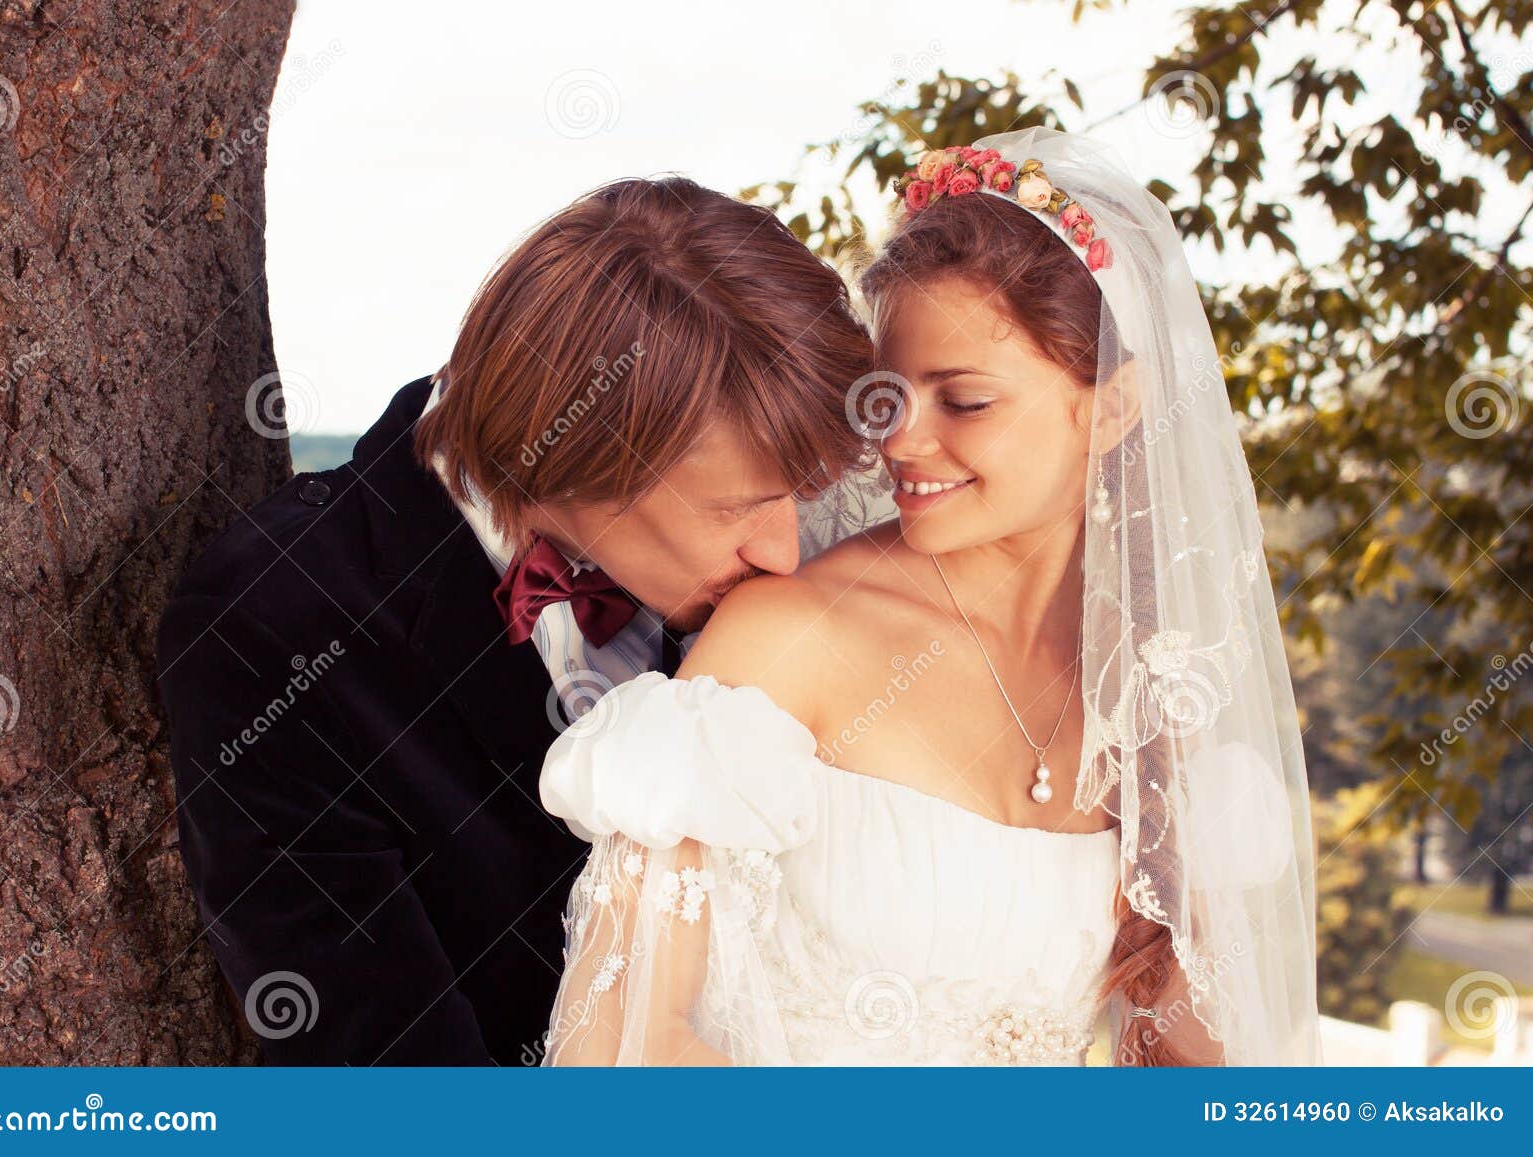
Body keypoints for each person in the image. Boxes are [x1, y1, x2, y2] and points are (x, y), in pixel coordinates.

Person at [538, 127, 1323, 1066]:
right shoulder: (789, 640)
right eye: (890, 393)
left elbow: (1187, 1065)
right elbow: (618, 1042)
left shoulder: (1149, 700)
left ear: (1112, 409)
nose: (900, 443)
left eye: (965, 401)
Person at [155, 176, 875, 1064]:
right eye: (739, 508)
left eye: (797, 498)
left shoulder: (810, 580)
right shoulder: (273, 625)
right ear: (582, 454)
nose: (786, 552)